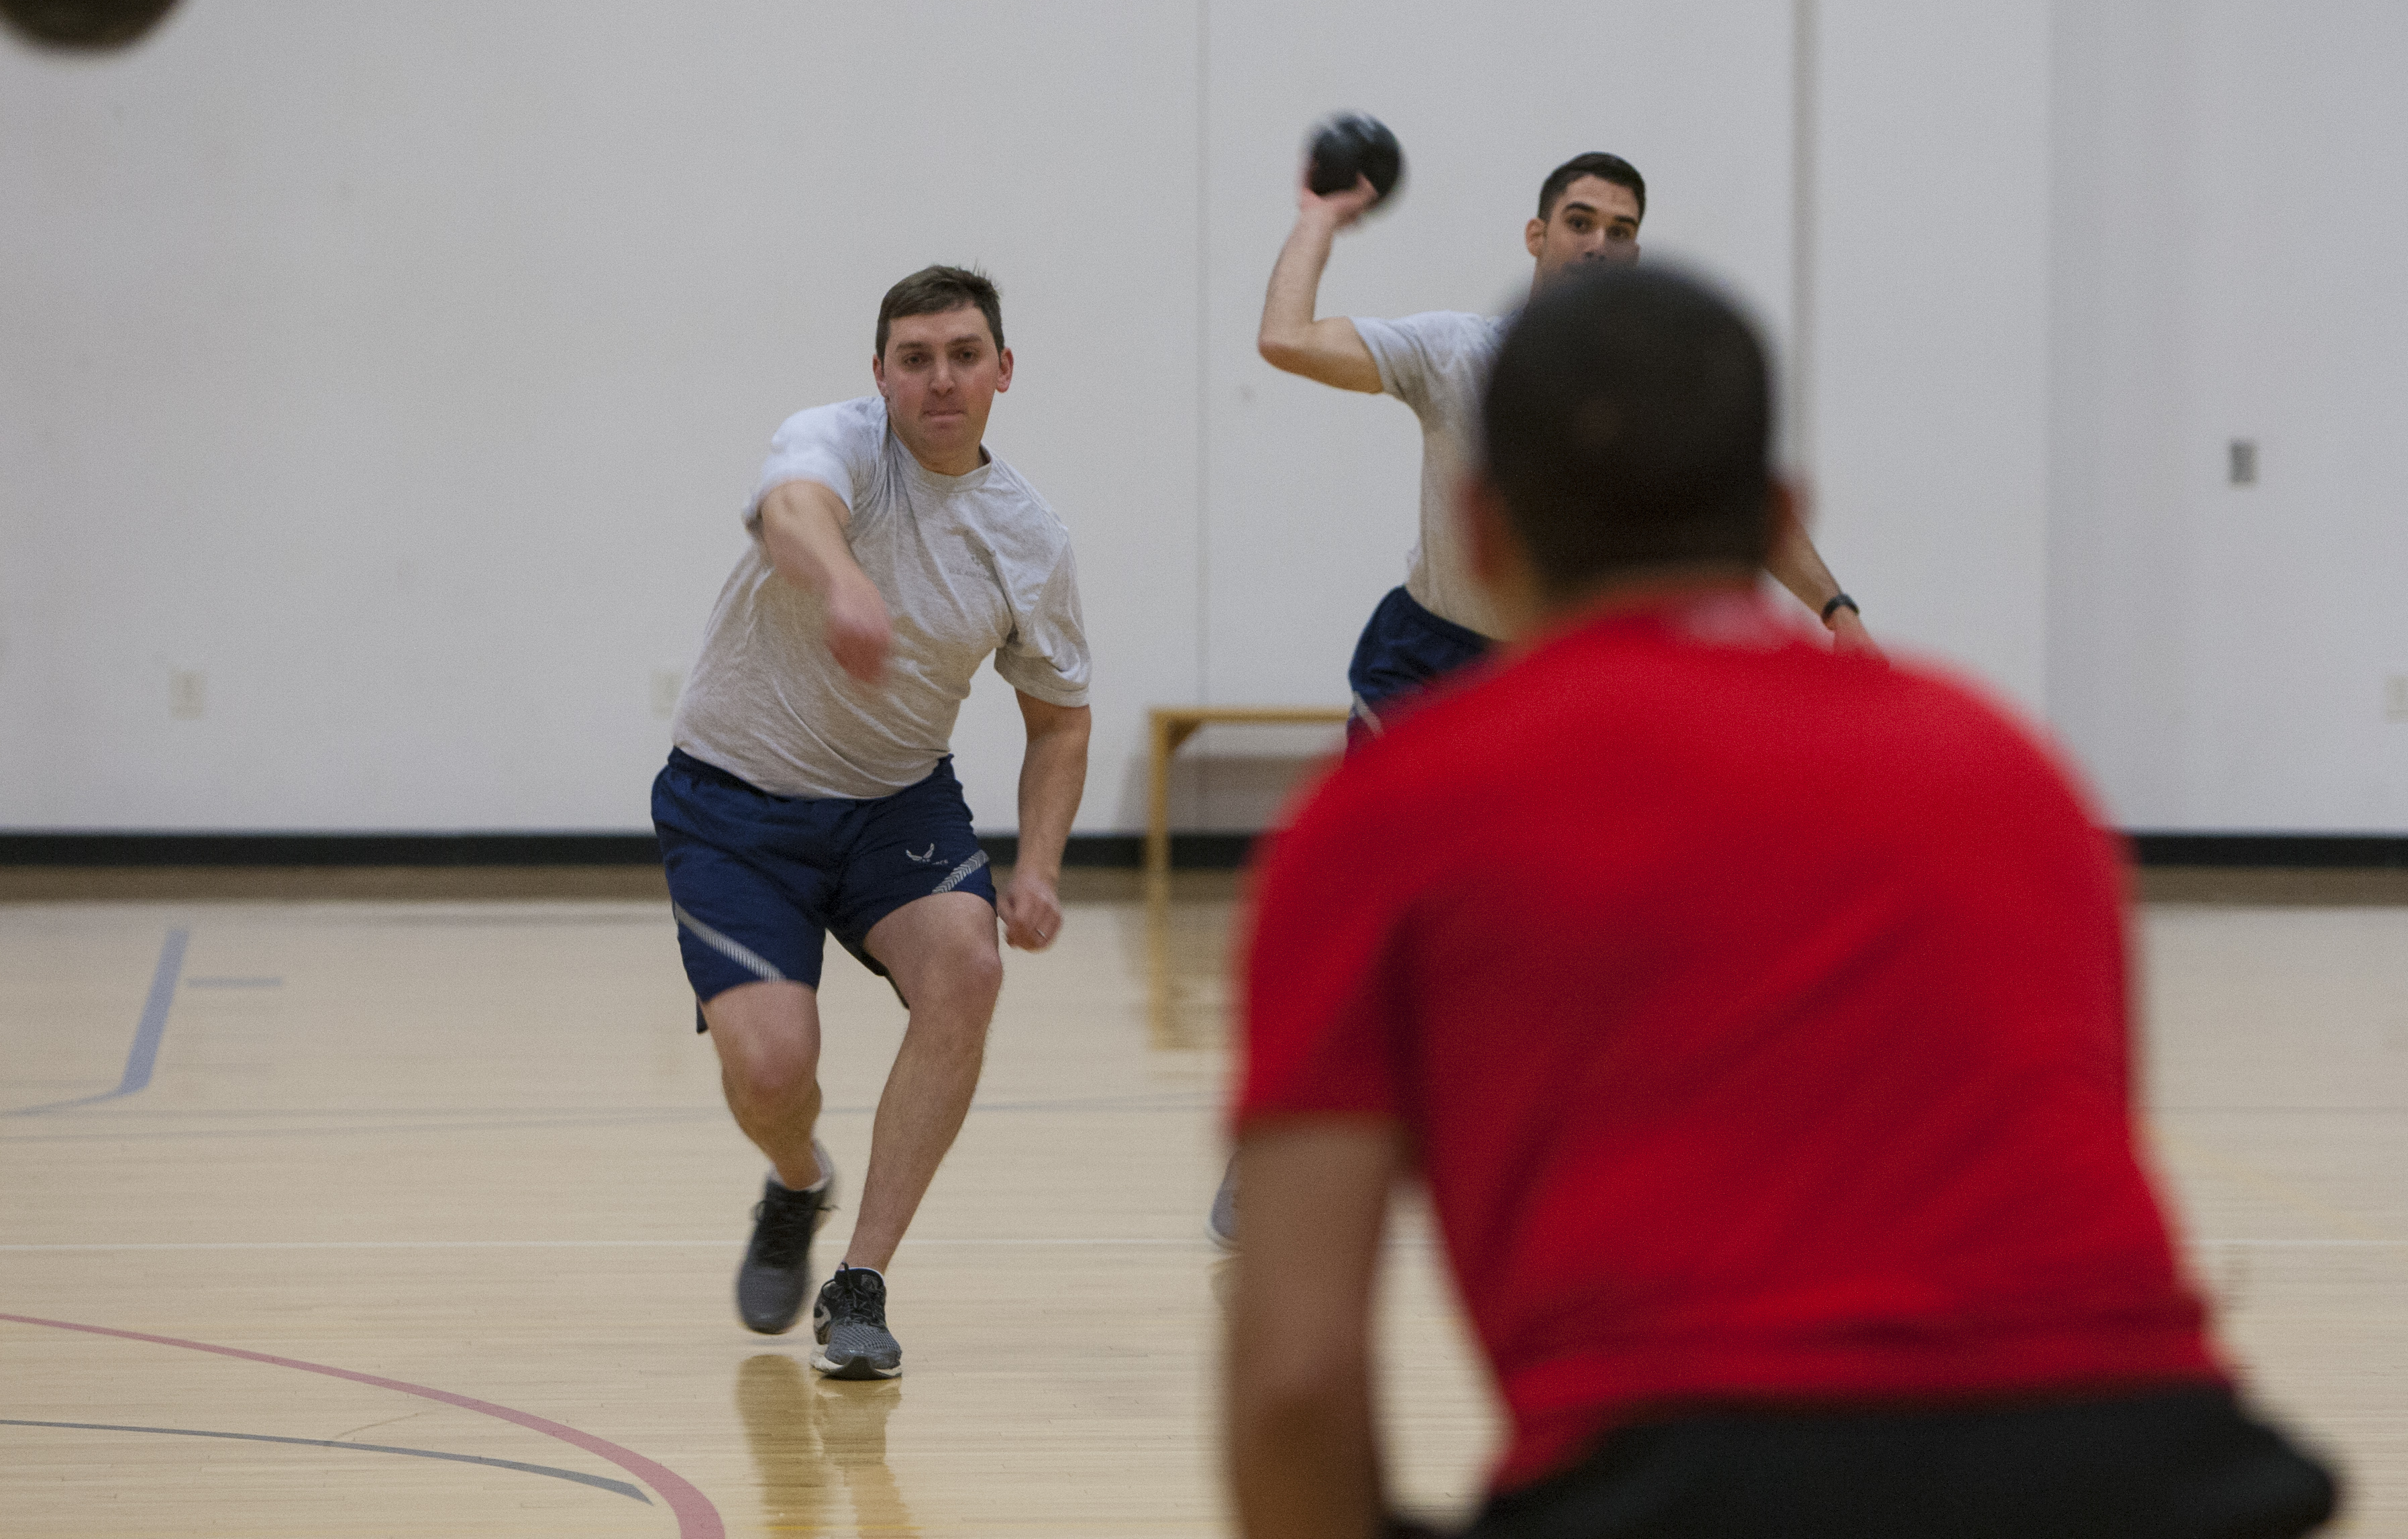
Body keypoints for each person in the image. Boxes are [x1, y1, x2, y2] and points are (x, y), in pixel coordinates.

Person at [1223, 265, 2338, 1538]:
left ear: (1481, 530)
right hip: (2161, 1477)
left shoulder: (1390, 814)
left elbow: (1294, 1388)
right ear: (1776, 514)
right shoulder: (2009, 769)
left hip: (1701, 1475)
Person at [1208, 151, 1877, 1249]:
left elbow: (1747, 510)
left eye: (1618, 229)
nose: (1596, 243)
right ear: (1535, 236)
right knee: (1372, 920)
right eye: (1578, 221)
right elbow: (1285, 338)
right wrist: (1318, 220)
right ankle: (1278, 1151)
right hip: (1426, 663)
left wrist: (1836, 610)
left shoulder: (1654, 390)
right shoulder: (1455, 354)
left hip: (1564, 680)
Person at [653, 264, 1092, 1379]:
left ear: (1002, 369)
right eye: (915, 358)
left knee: (969, 967)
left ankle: (861, 1282)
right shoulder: (837, 444)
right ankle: (798, 1179)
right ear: (882, 374)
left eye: (962, 355)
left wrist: (1036, 865)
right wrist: (846, 585)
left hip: (894, 800)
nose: (939, 379)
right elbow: (795, 509)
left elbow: (1059, 720)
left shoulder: (1028, 538)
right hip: (734, 803)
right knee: (769, 1066)